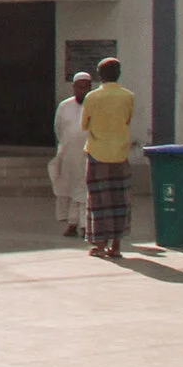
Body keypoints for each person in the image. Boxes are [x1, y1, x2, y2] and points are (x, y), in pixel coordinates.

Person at [81, 57, 136, 260]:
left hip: (97, 152)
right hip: (120, 153)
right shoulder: (128, 96)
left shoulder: (92, 97)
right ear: (119, 74)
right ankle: (117, 245)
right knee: (119, 199)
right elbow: (127, 119)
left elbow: (84, 124)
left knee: (98, 199)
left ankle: (99, 244)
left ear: (99, 75)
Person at [47, 70, 93, 237]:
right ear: (73, 88)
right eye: (79, 87)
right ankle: (72, 223)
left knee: (83, 190)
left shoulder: (94, 105)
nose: (82, 91)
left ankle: (83, 225)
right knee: (67, 189)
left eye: (85, 87)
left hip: (87, 155)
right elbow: (58, 129)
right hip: (68, 156)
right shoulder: (65, 106)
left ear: (90, 87)